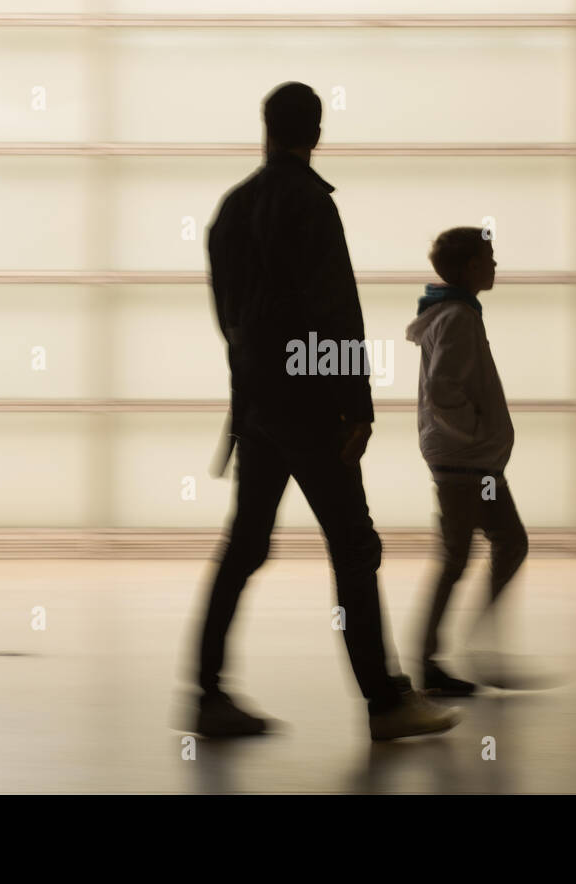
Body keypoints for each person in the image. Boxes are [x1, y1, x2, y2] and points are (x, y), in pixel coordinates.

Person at [195, 81, 460, 740]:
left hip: (258, 407)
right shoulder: (311, 204)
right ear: (316, 133)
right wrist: (356, 404)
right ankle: (386, 702)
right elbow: (334, 310)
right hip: (310, 407)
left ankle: (207, 693)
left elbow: (231, 319)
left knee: (246, 546)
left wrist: (251, 391)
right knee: (353, 546)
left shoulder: (232, 209)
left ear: (265, 126)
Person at [404, 228, 528, 696]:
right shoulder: (457, 317)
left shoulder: (455, 313)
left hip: (471, 461)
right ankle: (431, 660)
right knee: (464, 554)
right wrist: (476, 437)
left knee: (505, 543)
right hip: (465, 463)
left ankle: (458, 648)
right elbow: (443, 391)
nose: (495, 266)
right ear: (471, 266)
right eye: (489, 257)